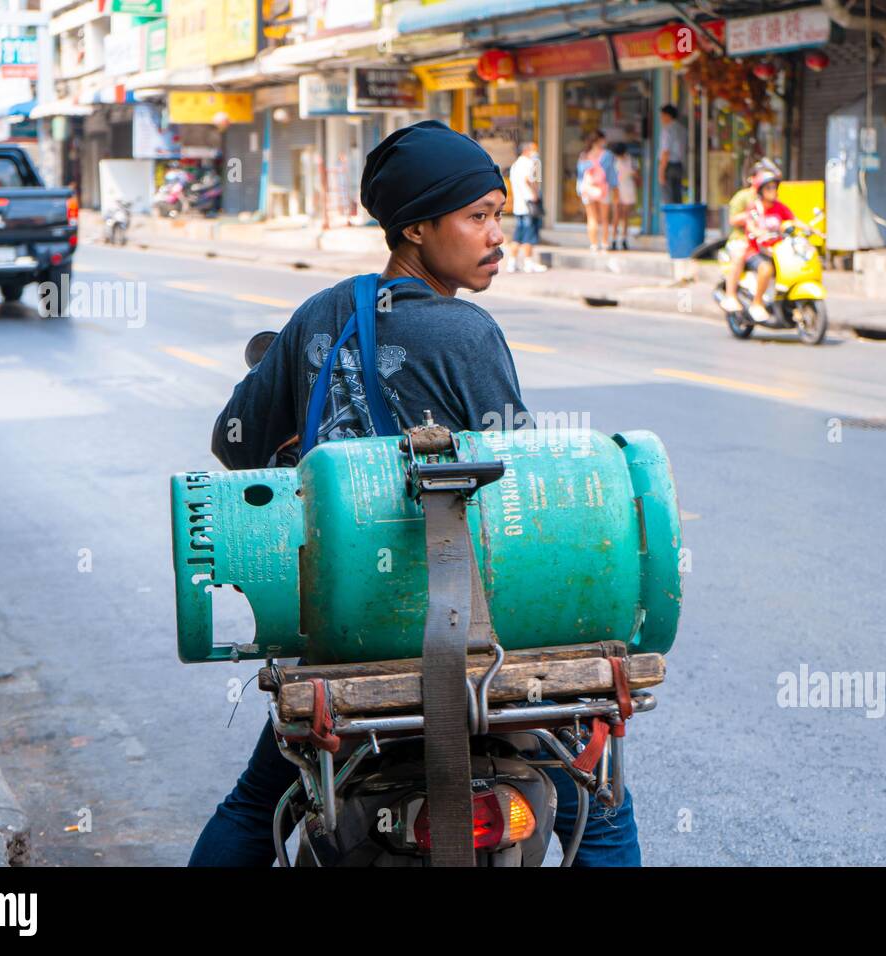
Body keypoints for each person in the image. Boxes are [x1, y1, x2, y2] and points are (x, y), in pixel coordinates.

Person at [188, 119, 641, 868]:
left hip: (340, 637)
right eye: (477, 217)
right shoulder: (466, 334)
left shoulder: (322, 315)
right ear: (416, 228)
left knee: (255, 804)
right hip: (470, 637)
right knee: (603, 812)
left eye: (499, 213)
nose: (497, 234)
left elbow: (234, 441)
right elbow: (528, 492)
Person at [720, 168, 795, 321]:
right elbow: (738, 220)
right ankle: (731, 295)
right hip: (742, 239)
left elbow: (790, 219)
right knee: (741, 254)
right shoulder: (747, 200)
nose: (772, 190)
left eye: (774, 186)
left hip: (768, 244)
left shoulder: (775, 204)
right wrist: (753, 224)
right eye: (768, 186)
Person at [505, 141, 547, 273]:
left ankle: (512, 263)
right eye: (533, 149)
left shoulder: (515, 165)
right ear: (526, 151)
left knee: (518, 235)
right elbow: (529, 180)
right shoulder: (529, 164)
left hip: (519, 206)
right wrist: (535, 194)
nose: (535, 152)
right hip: (529, 204)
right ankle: (528, 263)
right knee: (530, 235)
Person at [576, 131, 615, 252]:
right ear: (599, 140)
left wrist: (579, 190)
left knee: (591, 217)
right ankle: (604, 243)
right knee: (604, 218)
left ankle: (593, 244)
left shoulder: (584, 155)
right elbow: (611, 174)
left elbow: (580, 175)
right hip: (602, 189)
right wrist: (615, 188)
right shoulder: (607, 155)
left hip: (587, 189)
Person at [609, 142, 639, 251]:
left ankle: (624, 239)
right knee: (616, 215)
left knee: (625, 215)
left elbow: (636, 174)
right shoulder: (614, 160)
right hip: (617, 189)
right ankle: (613, 240)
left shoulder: (631, 160)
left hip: (627, 188)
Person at [657, 105, 685, 204]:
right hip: (679, 166)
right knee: (677, 197)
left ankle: (670, 219)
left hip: (669, 166)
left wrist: (661, 172)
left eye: (662, 116)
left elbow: (665, 152)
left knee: (668, 198)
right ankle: (678, 218)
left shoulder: (667, 130)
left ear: (668, 116)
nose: (661, 118)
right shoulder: (682, 129)